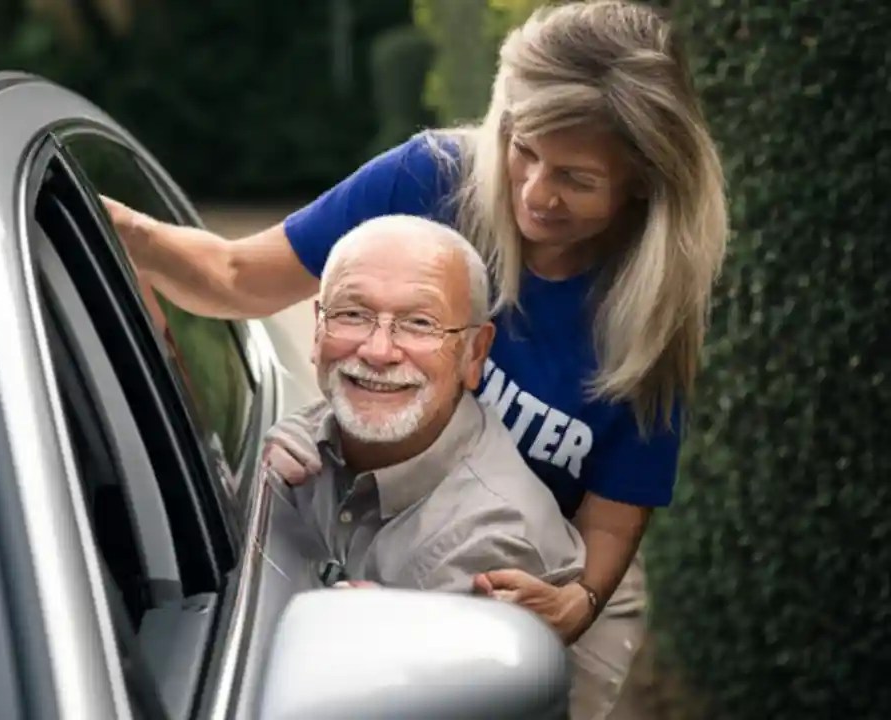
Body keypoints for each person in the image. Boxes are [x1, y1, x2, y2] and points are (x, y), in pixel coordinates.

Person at [102, 2, 727, 717]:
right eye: (523, 148)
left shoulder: (648, 299)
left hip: (536, 572)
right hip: (379, 526)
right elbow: (238, 278)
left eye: (577, 179)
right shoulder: (433, 180)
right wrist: (112, 227)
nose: (533, 192)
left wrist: (578, 602)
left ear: (643, 180)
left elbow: (617, 511)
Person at [278, 214, 586, 598]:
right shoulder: (293, 446)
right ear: (318, 328)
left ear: (475, 353)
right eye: (352, 314)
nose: (378, 351)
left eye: (420, 323)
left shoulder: (496, 545)